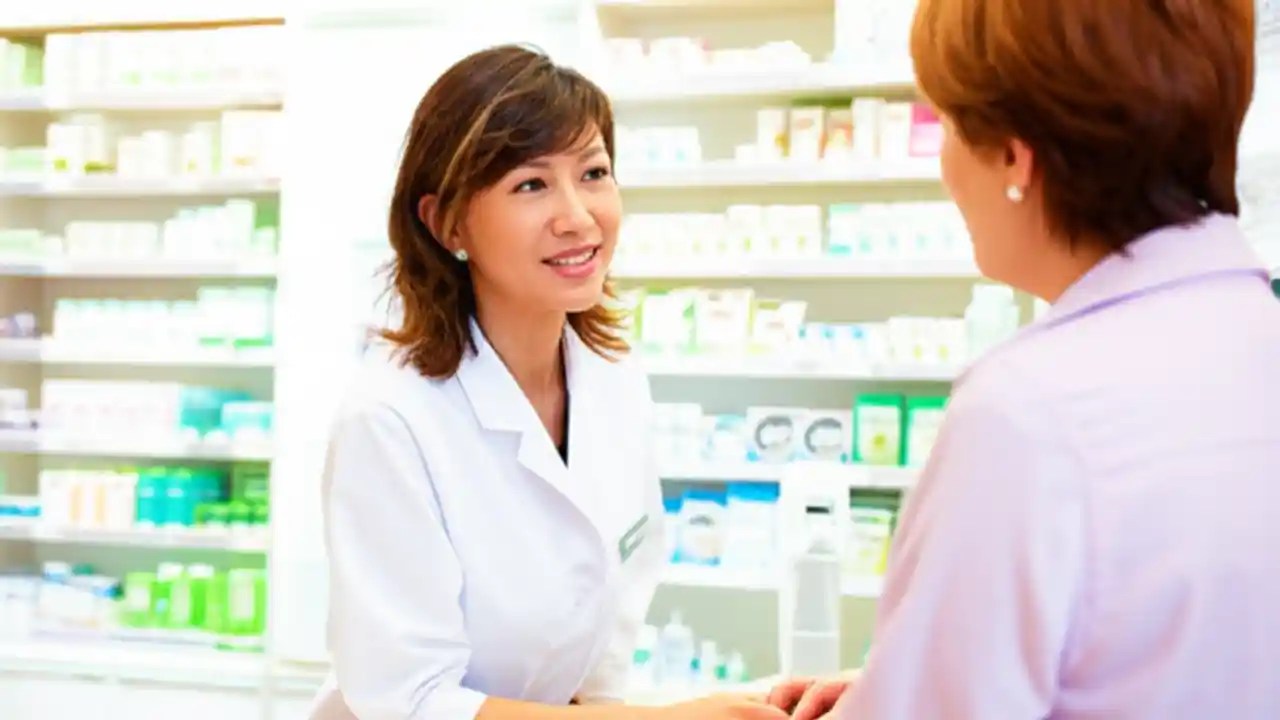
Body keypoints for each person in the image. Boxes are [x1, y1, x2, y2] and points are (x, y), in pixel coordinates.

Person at [769, 1, 1280, 718]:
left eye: (945, 122)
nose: (943, 165)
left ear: (1014, 156)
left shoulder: (1031, 410)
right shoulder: (1251, 333)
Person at [308, 45, 785, 720]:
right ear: (446, 223)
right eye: (531, 185)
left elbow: (606, 630)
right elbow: (411, 702)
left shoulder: (612, 377)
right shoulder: (391, 417)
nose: (579, 216)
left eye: (593, 173)